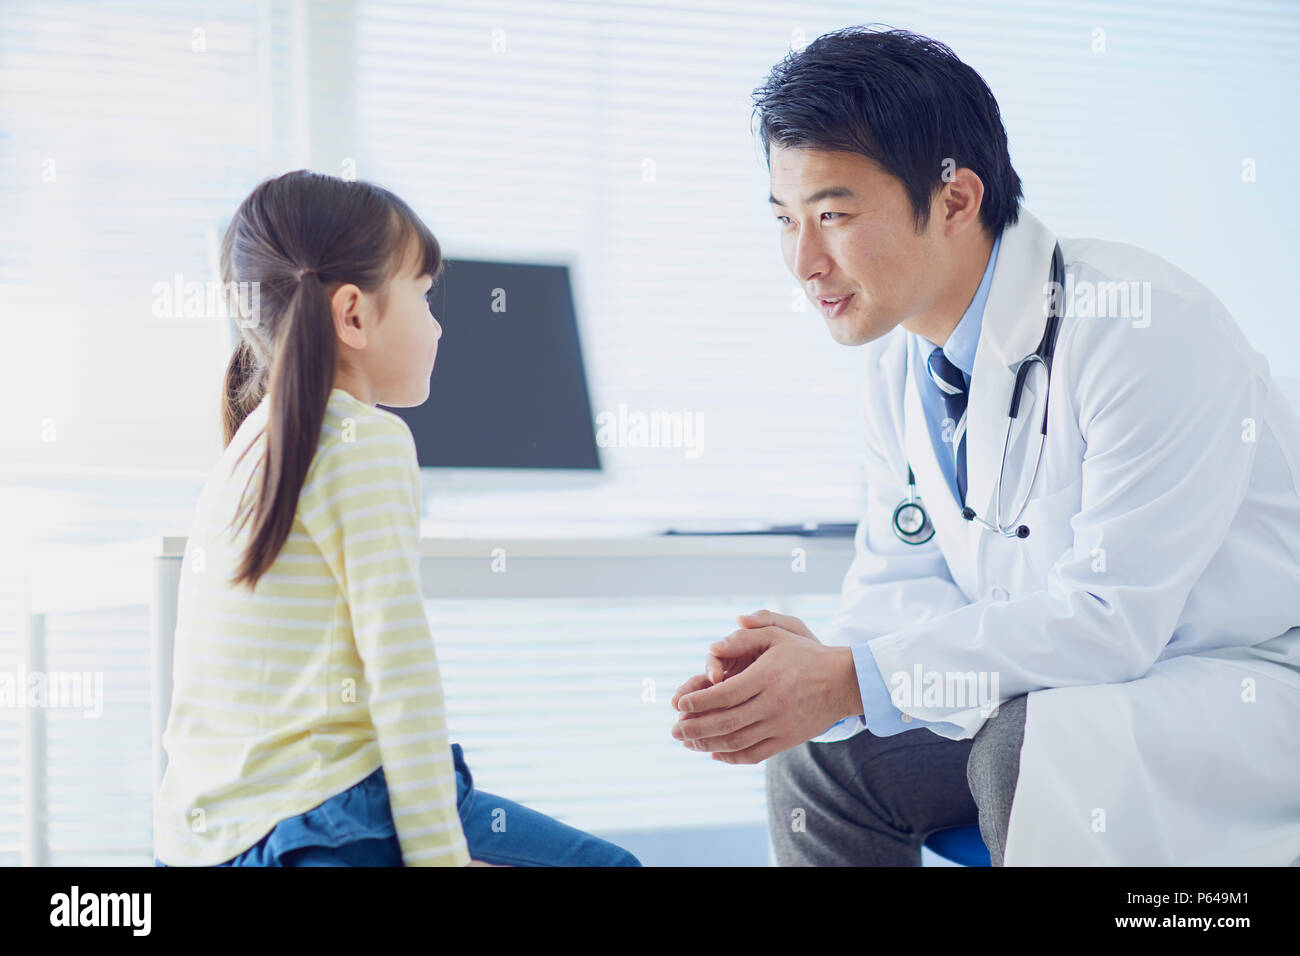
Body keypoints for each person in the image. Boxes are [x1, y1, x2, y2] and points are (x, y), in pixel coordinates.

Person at [671, 26, 1300, 866]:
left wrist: (854, 677)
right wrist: (825, 668)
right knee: (822, 756)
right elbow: (903, 580)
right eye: (785, 220)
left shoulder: (1139, 326)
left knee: (1025, 746)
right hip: (1056, 688)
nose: (804, 262)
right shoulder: (900, 365)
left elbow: (1112, 620)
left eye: (834, 215)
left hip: (1234, 690)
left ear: (957, 199)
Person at [154, 170, 639, 867]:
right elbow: (402, 678)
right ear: (353, 314)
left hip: (215, 842)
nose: (438, 324)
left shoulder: (250, 444)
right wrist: (441, 860)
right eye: (425, 293)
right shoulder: (366, 440)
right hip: (329, 819)